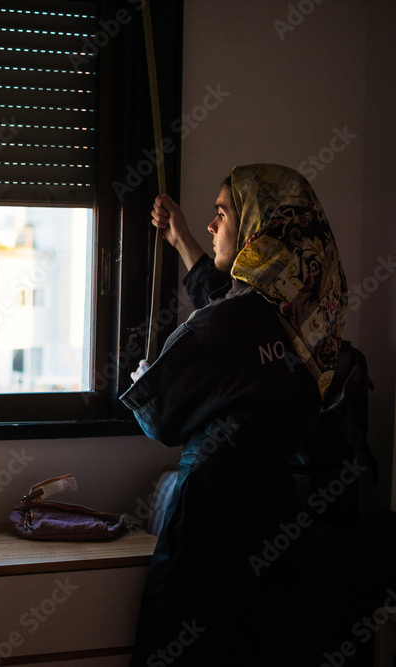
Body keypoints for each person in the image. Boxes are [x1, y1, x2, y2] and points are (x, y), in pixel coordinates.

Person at [121, 164, 347, 665]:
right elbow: (242, 318)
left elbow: (159, 417)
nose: (211, 224)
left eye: (222, 213)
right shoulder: (312, 319)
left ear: (257, 228)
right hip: (281, 526)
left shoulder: (222, 326)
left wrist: (147, 378)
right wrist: (181, 240)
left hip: (210, 531)